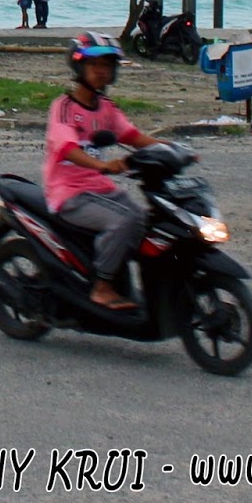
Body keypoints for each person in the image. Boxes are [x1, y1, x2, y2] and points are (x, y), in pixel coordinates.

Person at [44, 33, 169, 310]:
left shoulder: (106, 108)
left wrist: (170, 150)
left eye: (107, 65)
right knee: (126, 221)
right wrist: (103, 165)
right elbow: (67, 148)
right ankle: (101, 287)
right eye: (95, 65)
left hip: (100, 190)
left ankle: (126, 278)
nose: (102, 71)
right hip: (70, 193)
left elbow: (132, 136)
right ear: (79, 68)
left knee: (148, 221)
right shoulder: (64, 108)